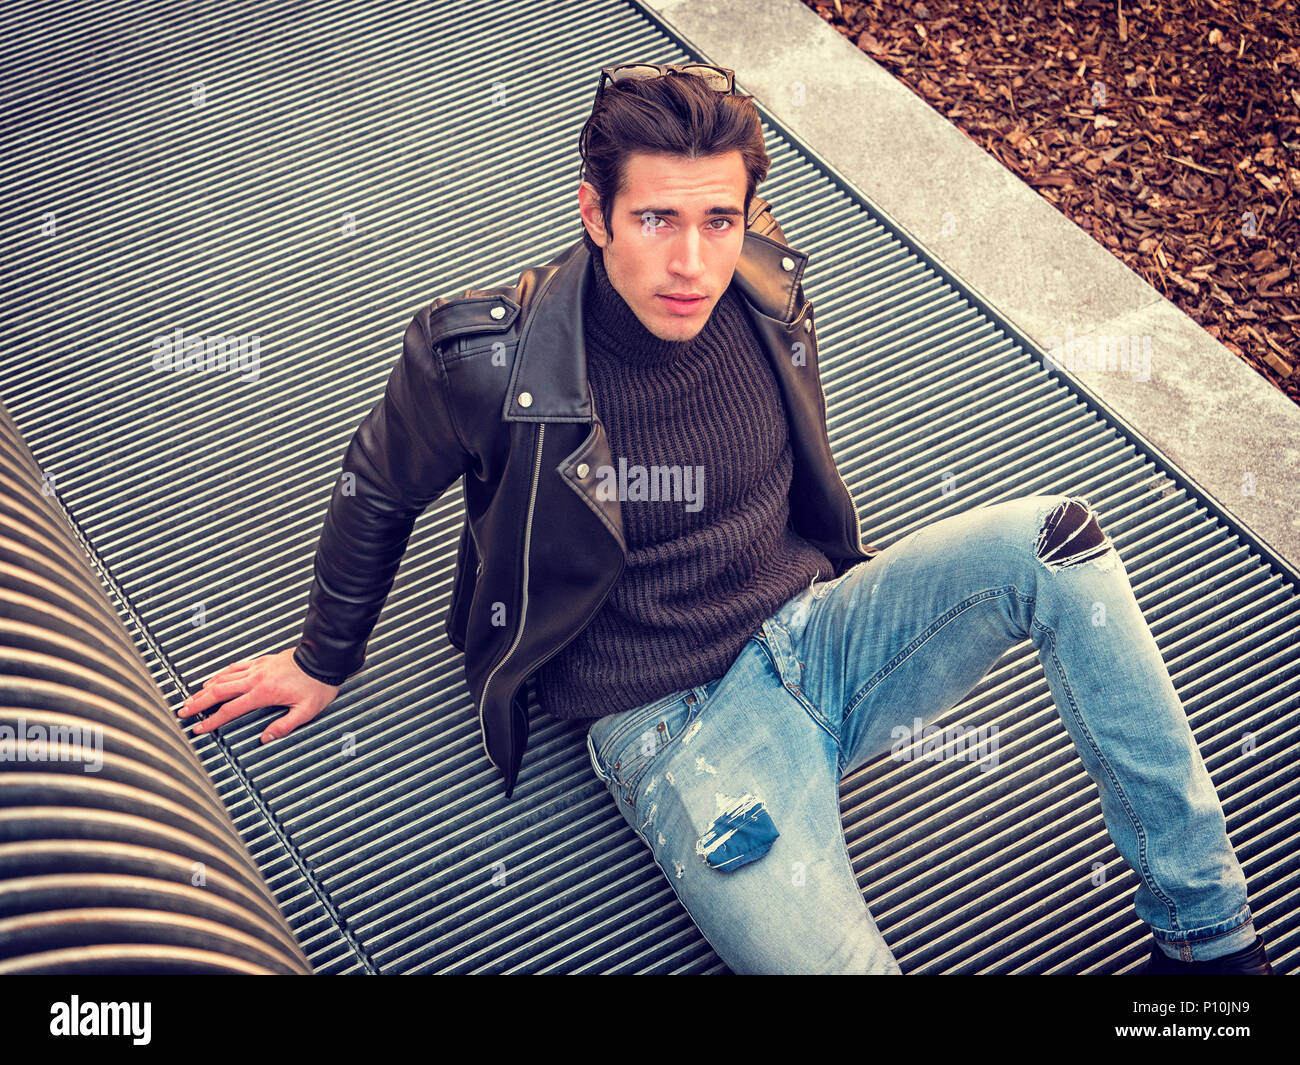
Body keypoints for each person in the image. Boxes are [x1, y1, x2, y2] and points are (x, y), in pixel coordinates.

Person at [177, 63, 1272, 975]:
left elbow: (801, 435)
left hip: (821, 631)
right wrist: (322, 659)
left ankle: (1209, 949)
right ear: (592, 209)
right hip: (678, 729)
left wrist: (858, 579)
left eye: (718, 218)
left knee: (1060, 542)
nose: (690, 260)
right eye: (654, 218)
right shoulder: (483, 358)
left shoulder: (762, 283)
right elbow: (376, 485)